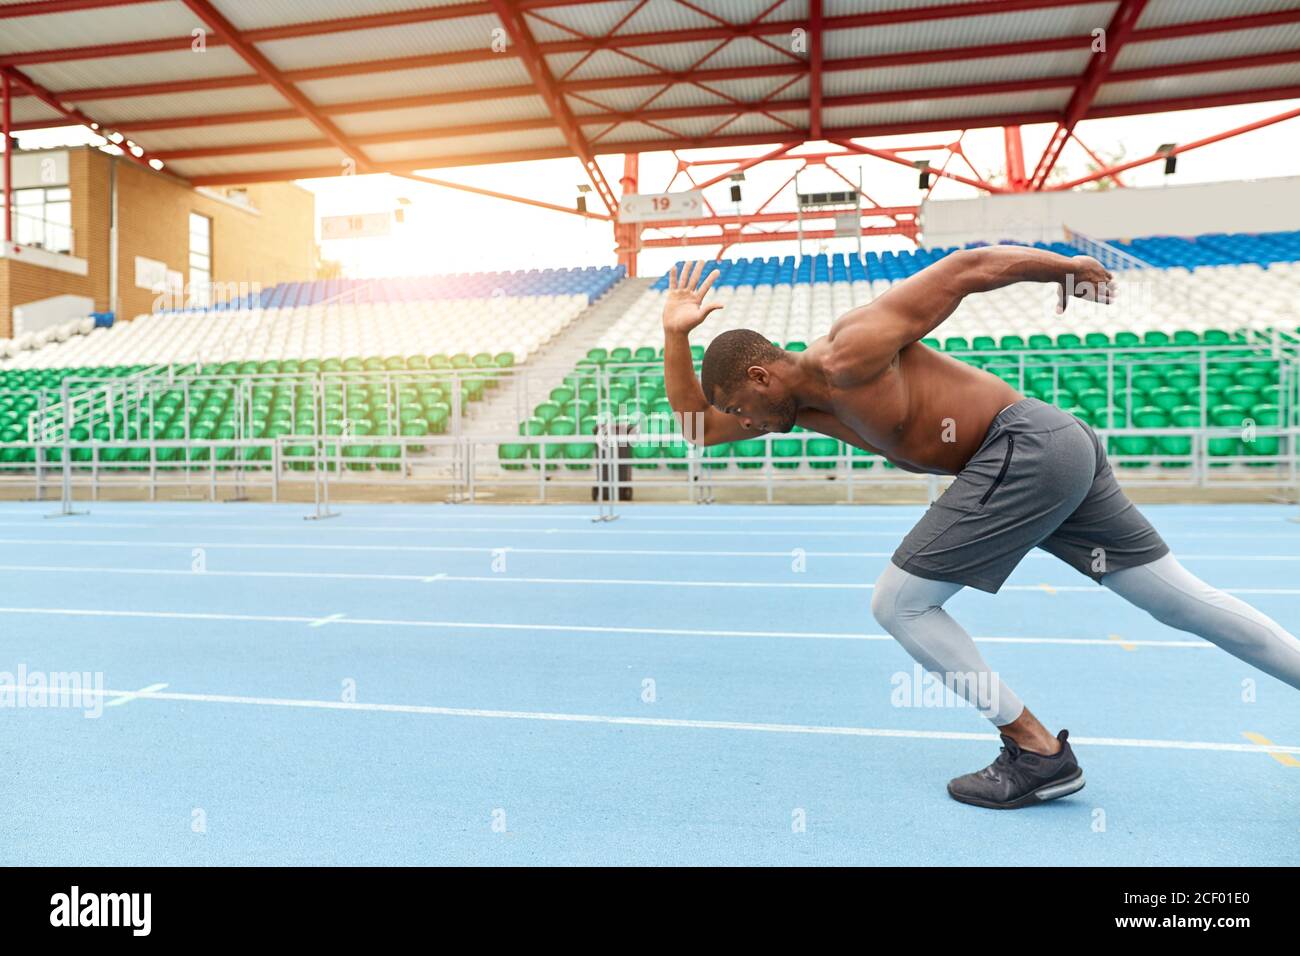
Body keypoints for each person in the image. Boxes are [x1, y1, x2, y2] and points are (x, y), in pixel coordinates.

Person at [661, 250, 1300, 810]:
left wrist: (1066, 267)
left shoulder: (851, 347)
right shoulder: (802, 410)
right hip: (1051, 451)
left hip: (1022, 446)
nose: (741, 422)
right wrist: (675, 335)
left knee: (899, 604)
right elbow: (693, 428)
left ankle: (1037, 752)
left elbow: (965, 271)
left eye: (740, 407)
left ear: (760, 376)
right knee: (1179, 601)